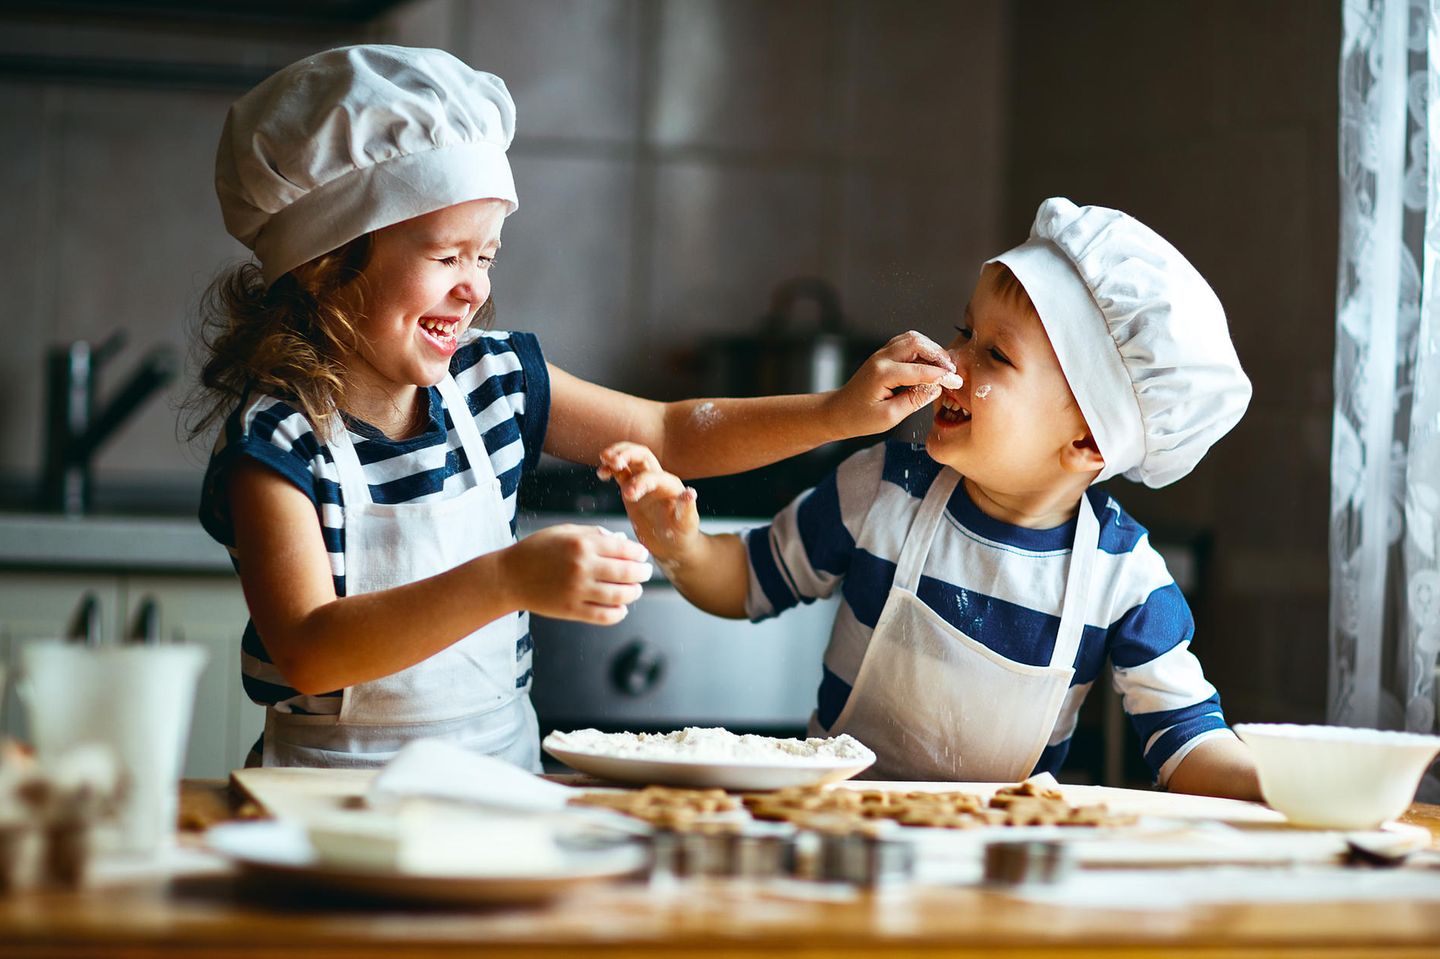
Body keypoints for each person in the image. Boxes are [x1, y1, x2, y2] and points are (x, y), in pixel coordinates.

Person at [191, 45, 962, 771]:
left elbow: (669, 430)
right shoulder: (277, 439)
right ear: (328, 264)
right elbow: (306, 647)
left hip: (498, 790)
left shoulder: (496, 381)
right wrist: (503, 580)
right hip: (323, 807)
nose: (475, 288)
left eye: (486, 255)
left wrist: (835, 413)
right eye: (446, 255)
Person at [603, 197, 1263, 800]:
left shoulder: (1125, 577)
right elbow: (747, 580)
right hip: (835, 837)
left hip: (995, 867)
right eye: (962, 330)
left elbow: (1188, 743)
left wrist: (1284, 783)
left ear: (1088, 439)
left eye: (994, 355)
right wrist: (682, 547)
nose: (952, 361)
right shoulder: (884, 487)